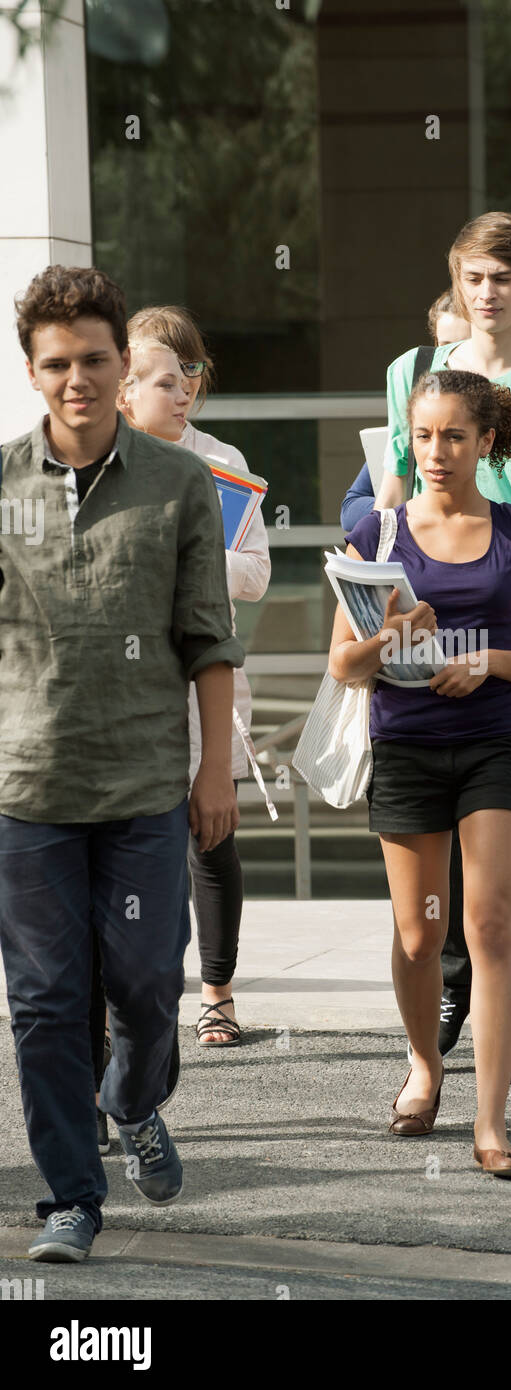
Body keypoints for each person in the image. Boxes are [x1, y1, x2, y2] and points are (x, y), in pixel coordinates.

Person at [0, 266, 243, 1262]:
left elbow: (209, 639)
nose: (77, 379)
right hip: (27, 790)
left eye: (95, 359)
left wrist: (214, 769)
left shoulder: (181, 481)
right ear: (31, 370)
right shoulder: (2, 483)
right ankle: (71, 1196)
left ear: (119, 360)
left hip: (145, 787)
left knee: (145, 985)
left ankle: (134, 1098)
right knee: (47, 998)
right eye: (56, 363)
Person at [375, 211, 511, 1082]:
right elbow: (393, 480)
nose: (485, 292)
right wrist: (371, 585)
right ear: (456, 281)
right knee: (427, 864)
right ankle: (448, 1006)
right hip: (420, 630)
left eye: (502, 277)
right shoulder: (415, 371)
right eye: (471, 276)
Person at [331, 369, 511, 1178]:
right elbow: (344, 666)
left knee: (492, 925)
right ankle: (425, 1067)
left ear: (486, 441)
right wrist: (392, 634)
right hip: (406, 746)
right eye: (423, 435)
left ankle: (491, 1122)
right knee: (420, 931)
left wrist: (487, 658)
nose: (436, 451)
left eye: (454, 436)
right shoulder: (377, 536)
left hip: (495, 745)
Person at [119, 311, 271, 1048]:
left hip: (206, 679)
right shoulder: (103, 459)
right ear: (128, 387)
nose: (183, 394)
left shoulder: (222, 460)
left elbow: (256, 574)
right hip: (125, 684)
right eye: (166, 380)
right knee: (128, 845)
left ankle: (218, 994)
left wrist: (193, 555)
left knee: (211, 841)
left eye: (191, 377)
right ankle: (135, 1003)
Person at [339, 290, 469, 533]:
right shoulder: (415, 427)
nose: (453, 361)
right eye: (444, 347)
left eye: (464, 347)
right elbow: (350, 509)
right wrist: (413, 508)